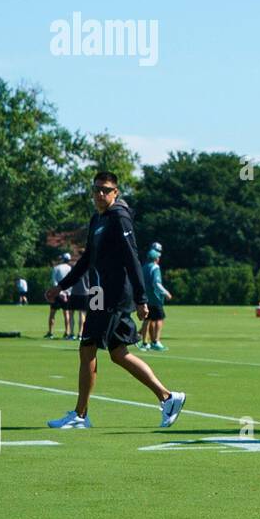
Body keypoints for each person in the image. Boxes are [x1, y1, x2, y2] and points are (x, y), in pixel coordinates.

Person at [44, 171, 186, 429]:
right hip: (98, 293)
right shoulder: (97, 219)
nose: (100, 194)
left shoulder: (119, 218)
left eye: (106, 190)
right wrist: (61, 286)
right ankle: (168, 397)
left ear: (115, 192)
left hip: (114, 295)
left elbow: (132, 258)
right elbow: (87, 259)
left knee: (87, 348)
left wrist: (142, 299)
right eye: (96, 189)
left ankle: (80, 415)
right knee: (118, 353)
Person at [138, 243, 171, 351]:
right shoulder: (155, 267)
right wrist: (166, 293)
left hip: (145, 297)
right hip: (155, 298)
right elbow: (156, 283)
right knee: (159, 319)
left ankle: (144, 342)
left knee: (147, 320)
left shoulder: (144, 267)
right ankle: (156, 341)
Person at [46, 254, 72, 339]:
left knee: (52, 313)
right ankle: (67, 332)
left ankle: (50, 332)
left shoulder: (57, 268)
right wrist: (66, 293)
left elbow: (54, 282)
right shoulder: (70, 268)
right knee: (66, 313)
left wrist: (59, 292)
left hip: (57, 294)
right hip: (67, 294)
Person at [69, 251, 90, 343]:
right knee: (82, 314)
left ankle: (71, 333)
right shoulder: (90, 266)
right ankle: (80, 333)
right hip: (86, 292)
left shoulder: (77, 265)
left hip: (75, 292)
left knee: (71, 314)